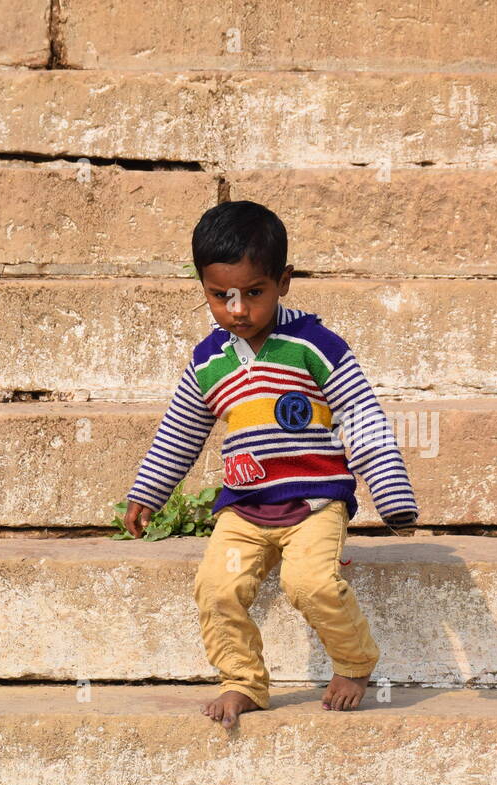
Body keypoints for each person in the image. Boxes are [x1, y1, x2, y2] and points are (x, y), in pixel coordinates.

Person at [124, 200, 419, 728]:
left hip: (313, 503)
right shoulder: (208, 361)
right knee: (216, 588)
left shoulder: (316, 346)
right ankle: (242, 680)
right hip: (245, 510)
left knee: (310, 584)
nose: (238, 310)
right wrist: (148, 492)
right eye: (221, 296)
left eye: (253, 293)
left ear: (283, 281)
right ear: (205, 289)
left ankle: (354, 662)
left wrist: (392, 494)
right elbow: (181, 431)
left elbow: (361, 416)